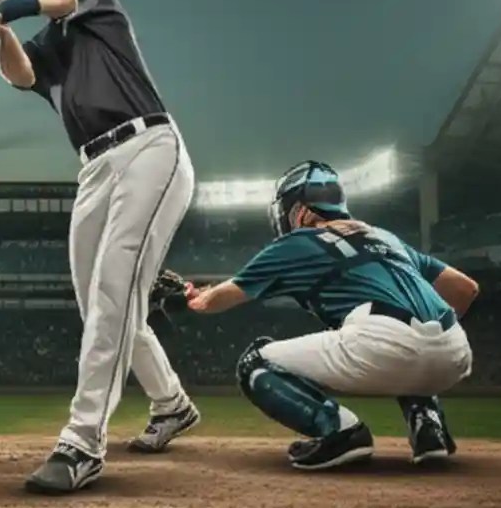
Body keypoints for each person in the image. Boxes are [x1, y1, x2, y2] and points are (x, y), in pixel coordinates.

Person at [0, 0, 199, 494]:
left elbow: (50, 2)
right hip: (93, 168)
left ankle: (82, 442)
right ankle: (171, 404)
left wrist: (11, 8)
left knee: (115, 294)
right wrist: (0, 33)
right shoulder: (44, 48)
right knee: (101, 309)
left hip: (148, 146)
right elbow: (20, 77)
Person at [182, 161, 479, 470]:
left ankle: (340, 431)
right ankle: (428, 427)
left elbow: (218, 300)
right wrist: (430, 337)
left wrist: (191, 297)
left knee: (254, 363)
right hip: (454, 351)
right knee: (412, 342)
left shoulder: (294, 243)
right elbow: (465, 288)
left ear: (296, 210)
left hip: (383, 343)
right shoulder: (385, 237)